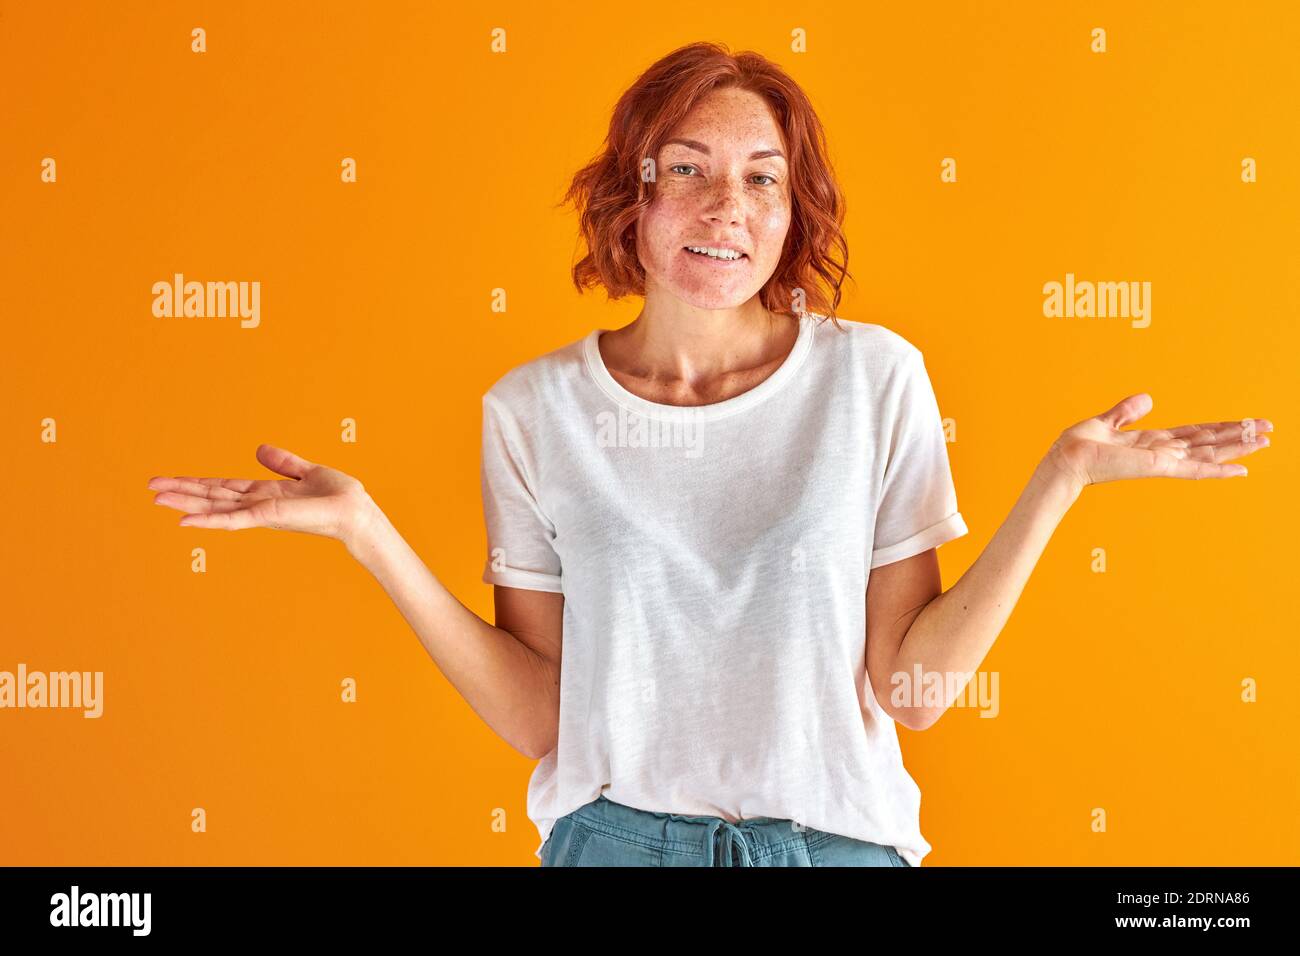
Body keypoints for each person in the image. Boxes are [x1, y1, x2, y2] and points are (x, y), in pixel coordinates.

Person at [146, 42, 1273, 867]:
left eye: (760, 177)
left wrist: (1058, 481)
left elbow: (909, 692)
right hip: (611, 843)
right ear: (628, 198)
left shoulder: (872, 379)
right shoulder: (532, 410)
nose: (721, 204)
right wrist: (365, 532)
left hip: (834, 846)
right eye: (682, 168)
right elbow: (546, 716)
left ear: (794, 212)